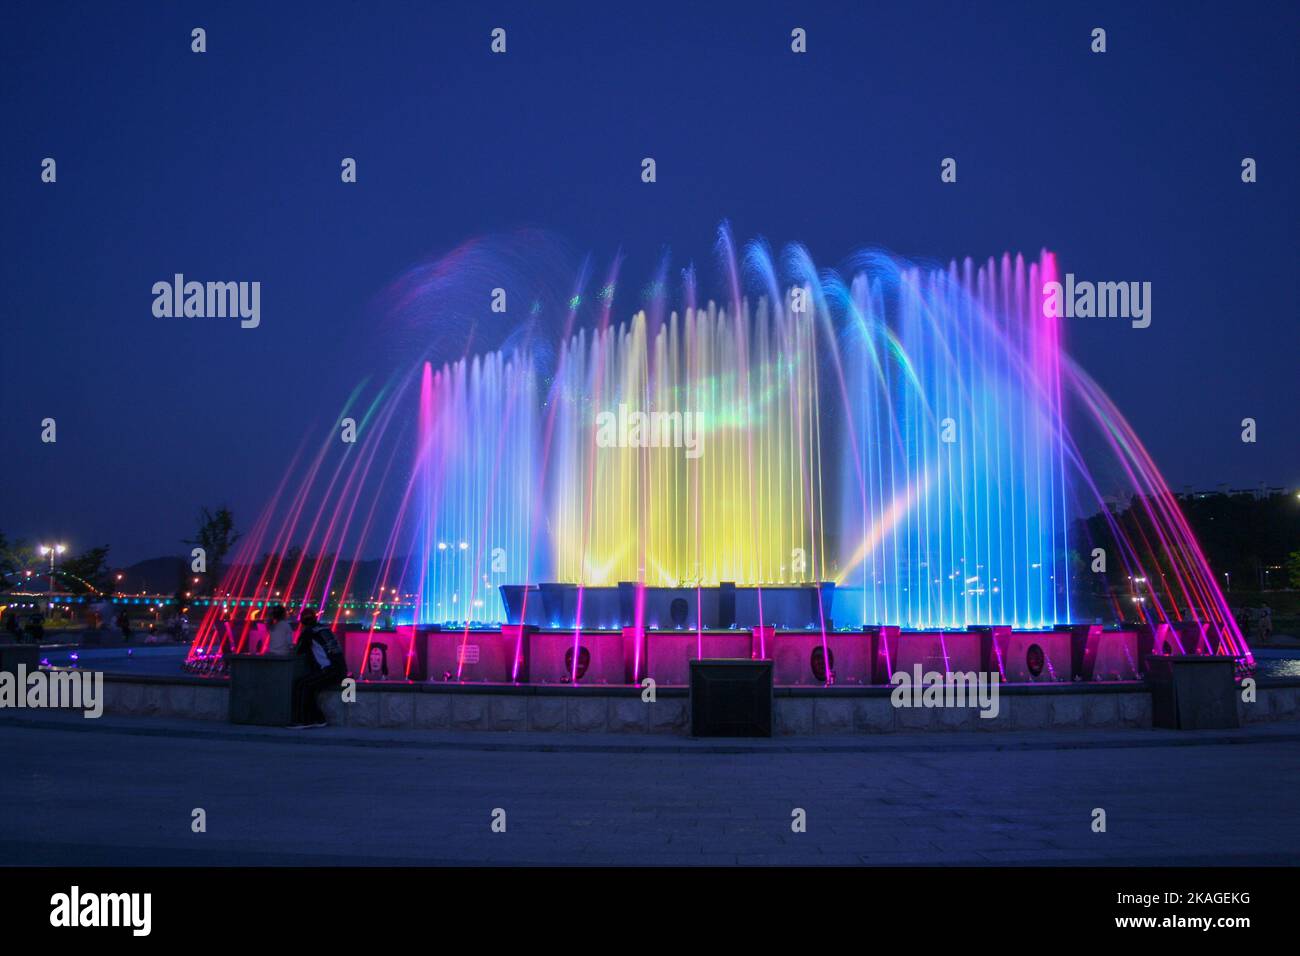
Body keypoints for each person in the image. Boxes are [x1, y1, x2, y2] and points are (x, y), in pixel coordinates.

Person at [291, 608, 345, 728]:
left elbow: (298, 650)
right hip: (339, 669)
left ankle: (303, 721)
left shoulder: (309, 632)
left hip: (330, 670)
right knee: (309, 686)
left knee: (302, 685)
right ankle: (318, 719)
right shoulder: (324, 628)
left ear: (302, 622)